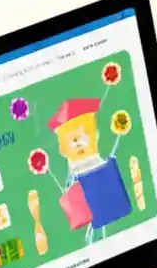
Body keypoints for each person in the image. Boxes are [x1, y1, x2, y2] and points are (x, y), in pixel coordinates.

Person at [47, 98, 131, 243]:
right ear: (63, 148)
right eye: (71, 138)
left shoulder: (105, 168)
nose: (77, 142)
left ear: (94, 134)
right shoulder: (74, 177)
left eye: (82, 133)